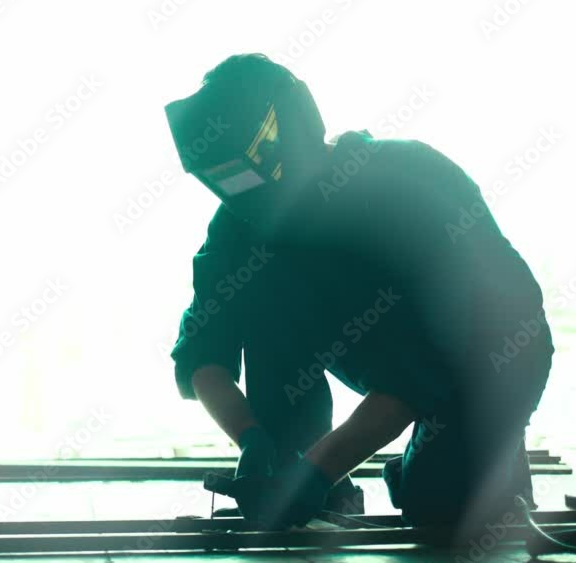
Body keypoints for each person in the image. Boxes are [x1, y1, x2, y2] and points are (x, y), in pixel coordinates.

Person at [165, 53, 553, 534]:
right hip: (388, 358)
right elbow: (205, 353)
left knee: (442, 512)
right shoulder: (241, 224)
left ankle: (467, 466)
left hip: (496, 354)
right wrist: (253, 441)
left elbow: (424, 367)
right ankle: (314, 486)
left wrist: (317, 471)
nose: (249, 194)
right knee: (263, 291)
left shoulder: (408, 180)